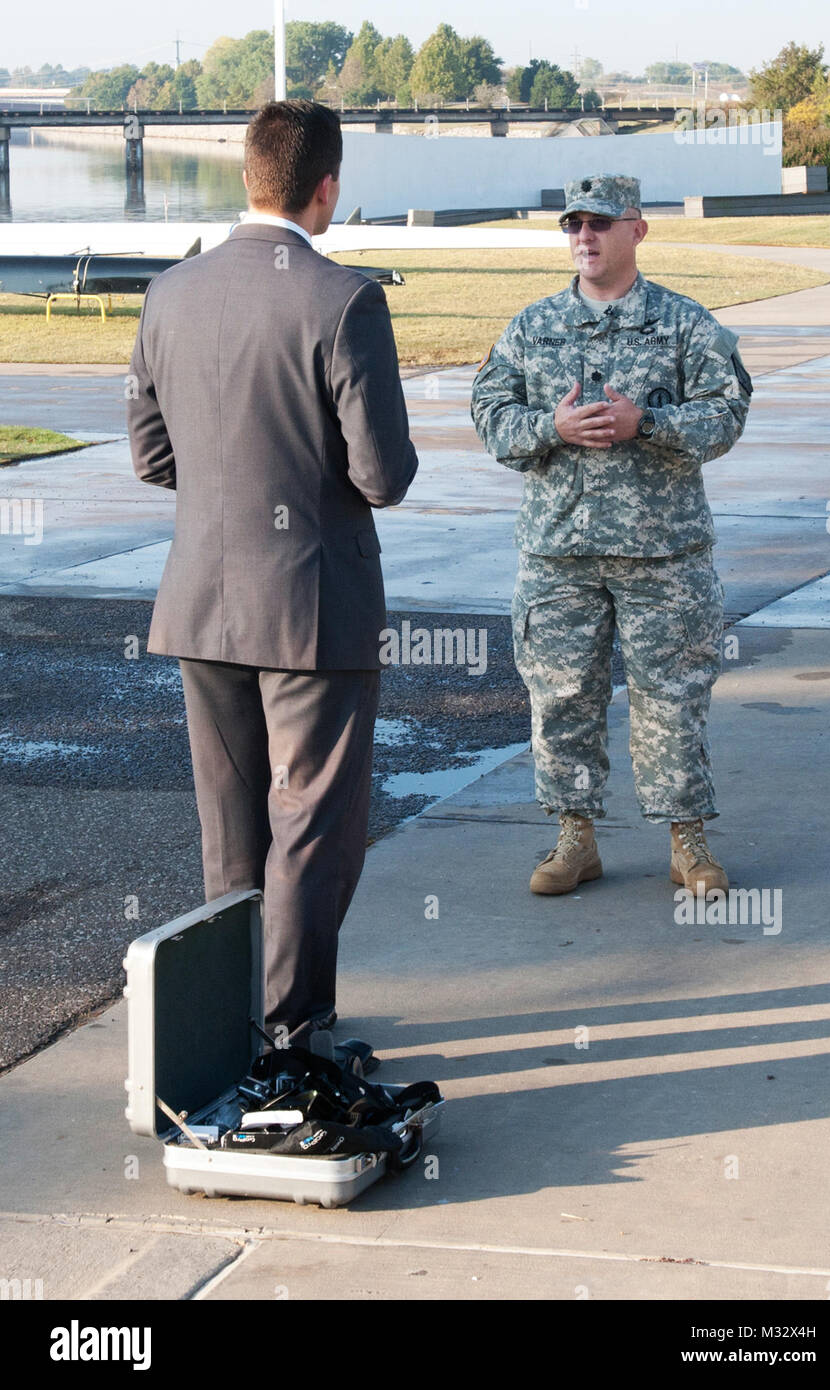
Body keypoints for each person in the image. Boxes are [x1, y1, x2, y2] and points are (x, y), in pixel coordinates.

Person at [127, 100, 417, 1041]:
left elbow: (151, 456)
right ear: (326, 187)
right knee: (310, 834)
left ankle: (223, 1029)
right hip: (313, 611)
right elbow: (382, 474)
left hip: (201, 607)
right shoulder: (344, 299)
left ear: (246, 177)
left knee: (233, 835)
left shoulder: (169, 293)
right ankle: (292, 1034)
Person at [471, 174, 752, 898]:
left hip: (664, 552)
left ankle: (688, 842)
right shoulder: (532, 327)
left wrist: (649, 423)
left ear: (637, 230)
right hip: (559, 553)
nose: (584, 238)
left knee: (673, 698)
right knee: (561, 697)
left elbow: (727, 414)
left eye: (599, 224)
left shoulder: (686, 323)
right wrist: (549, 427)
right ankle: (575, 838)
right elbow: (490, 416)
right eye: (573, 225)